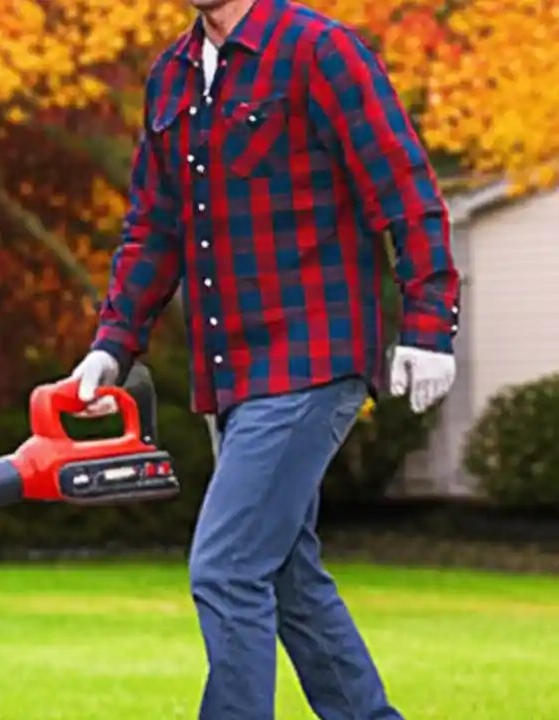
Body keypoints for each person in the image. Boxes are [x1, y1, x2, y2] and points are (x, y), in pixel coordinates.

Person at [69, 0, 460, 718]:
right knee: (286, 575)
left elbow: (406, 193)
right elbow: (153, 227)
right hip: (232, 372)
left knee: (227, 566)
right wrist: (112, 345)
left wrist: (429, 324)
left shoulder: (320, 51)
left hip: (314, 355)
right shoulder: (172, 77)